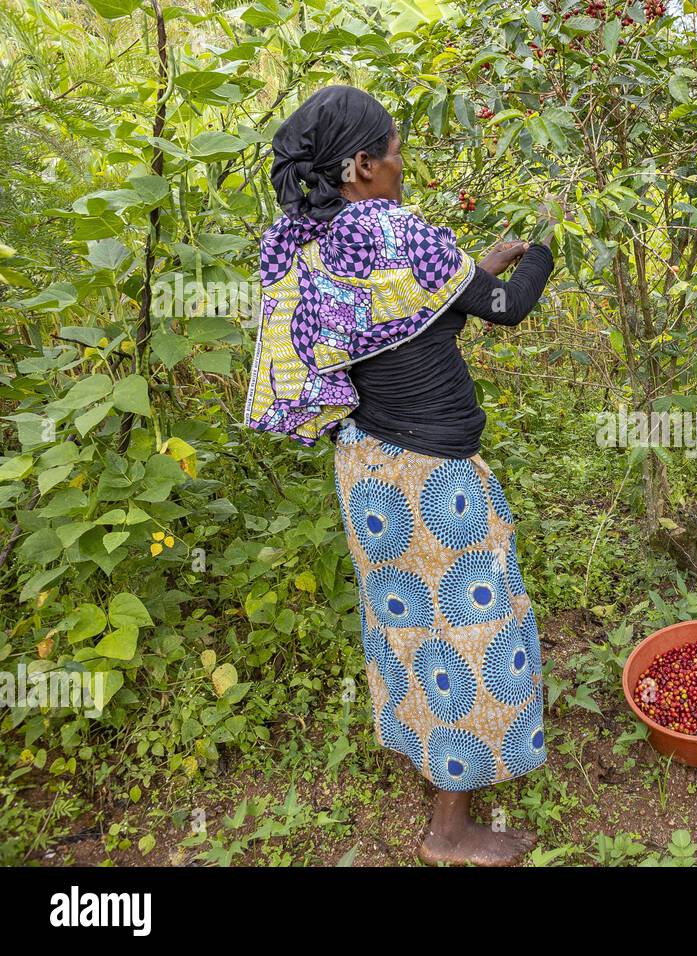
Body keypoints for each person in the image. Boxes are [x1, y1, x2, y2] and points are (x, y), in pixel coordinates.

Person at [244, 86, 555, 866]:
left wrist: (482, 261)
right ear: (360, 166)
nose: (401, 163)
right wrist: (546, 245)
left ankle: (434, 768)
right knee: (476, 632)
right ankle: (450, 832)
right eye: (393, 151)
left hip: (369, 467)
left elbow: (416, 317)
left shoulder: (301, 243)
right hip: (433, 480)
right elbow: (506, 309)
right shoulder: (394, 230)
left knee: (413, 632)